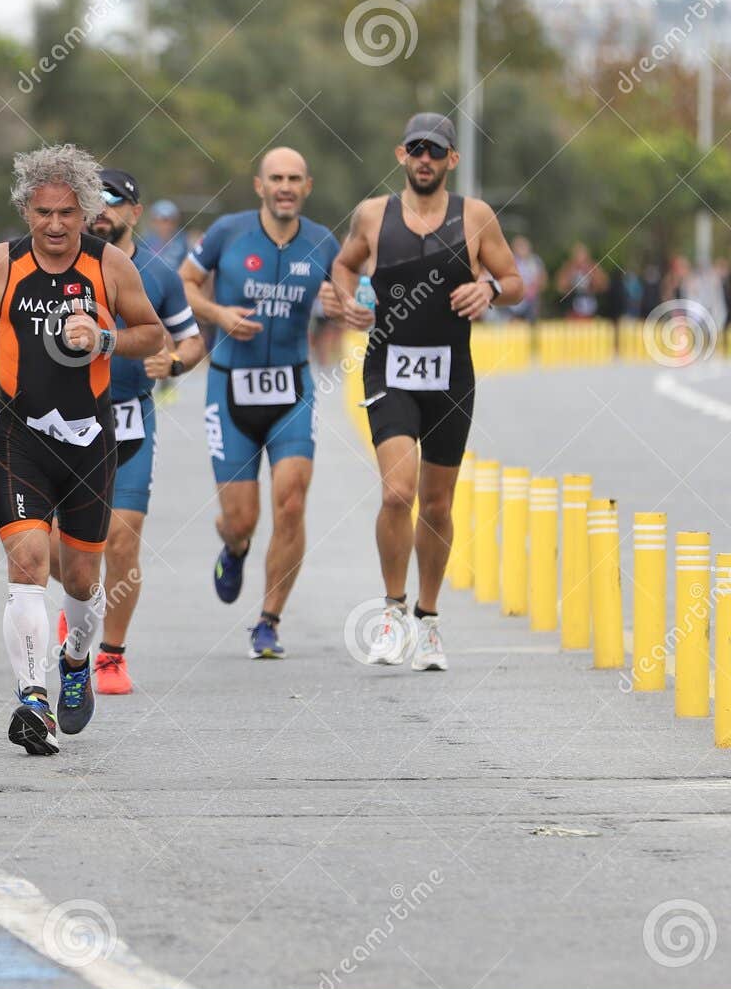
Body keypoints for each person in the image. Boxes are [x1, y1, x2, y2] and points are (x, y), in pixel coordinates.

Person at [0, 144, 164, 756]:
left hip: (90, 441)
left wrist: (105, 336)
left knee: (84, 579)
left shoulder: (111, 265)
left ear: (86, 211)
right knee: (27, 564)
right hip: (21, 436)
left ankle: (75, 659)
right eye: (43, 213)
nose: (56, 225)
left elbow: (153, 334)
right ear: (26, 210)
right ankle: (32, 698)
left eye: (68, 212)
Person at [320, 113, 523, 671]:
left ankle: (428, 621)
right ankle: (392, 611)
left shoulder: (475, 217)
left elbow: (515, 282)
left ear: (451, 160)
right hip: (388, 367)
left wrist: (489, 290)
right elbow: (342, 265)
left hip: (451, 375)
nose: (425, 159)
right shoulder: (373, 215)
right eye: (416, 149)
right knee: (396, 493)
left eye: (436, 151)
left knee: (437, 503)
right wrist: (344, 300)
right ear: (401, 154)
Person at [179, 148, 339, 658]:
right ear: (260, 185)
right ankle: (235, 546)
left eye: (294, 178)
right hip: (230, 388)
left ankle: (269, 620)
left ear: (307, 186)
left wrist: (344, 304)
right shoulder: (228, 232)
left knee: (291, 501)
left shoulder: (322, 242)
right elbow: (184, 284)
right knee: (240, 517)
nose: (285, 186)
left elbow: (352, 296)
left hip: (292, 388)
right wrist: (218, 315)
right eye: (276, 178)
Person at [68, 168, 205, 693]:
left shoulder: (159, 272)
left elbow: (191, 342)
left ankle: (111, 655)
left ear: (134, 212)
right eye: (92, 200)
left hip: (129, 420)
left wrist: (174, 364)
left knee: (122, 543)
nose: (102, 208)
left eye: (114, 200)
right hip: (65, 423)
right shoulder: (61, 265)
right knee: (66, 552)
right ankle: (75, 603)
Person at [555, 242, 607, 318]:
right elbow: (560, 287)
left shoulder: (592, 266)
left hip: (590, 306)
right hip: (573, 307)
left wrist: (592, 276)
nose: (579, 258)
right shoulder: (568, 267)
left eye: (582, 255)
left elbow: (604, 285)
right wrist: (570, 275)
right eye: (577, 255)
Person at [503, 235, 544, 321]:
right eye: (519, 246)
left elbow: (542, 280)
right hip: (515, 296)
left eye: (523, 246)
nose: (522, 249)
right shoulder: (511, 261)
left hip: (530, 298)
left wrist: (533, 287)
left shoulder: (535, 261)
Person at [146, 198, 187, 271]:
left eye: (168, 221)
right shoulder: (143, 244)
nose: (165, 226)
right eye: (159, 221)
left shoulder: (184, 243)